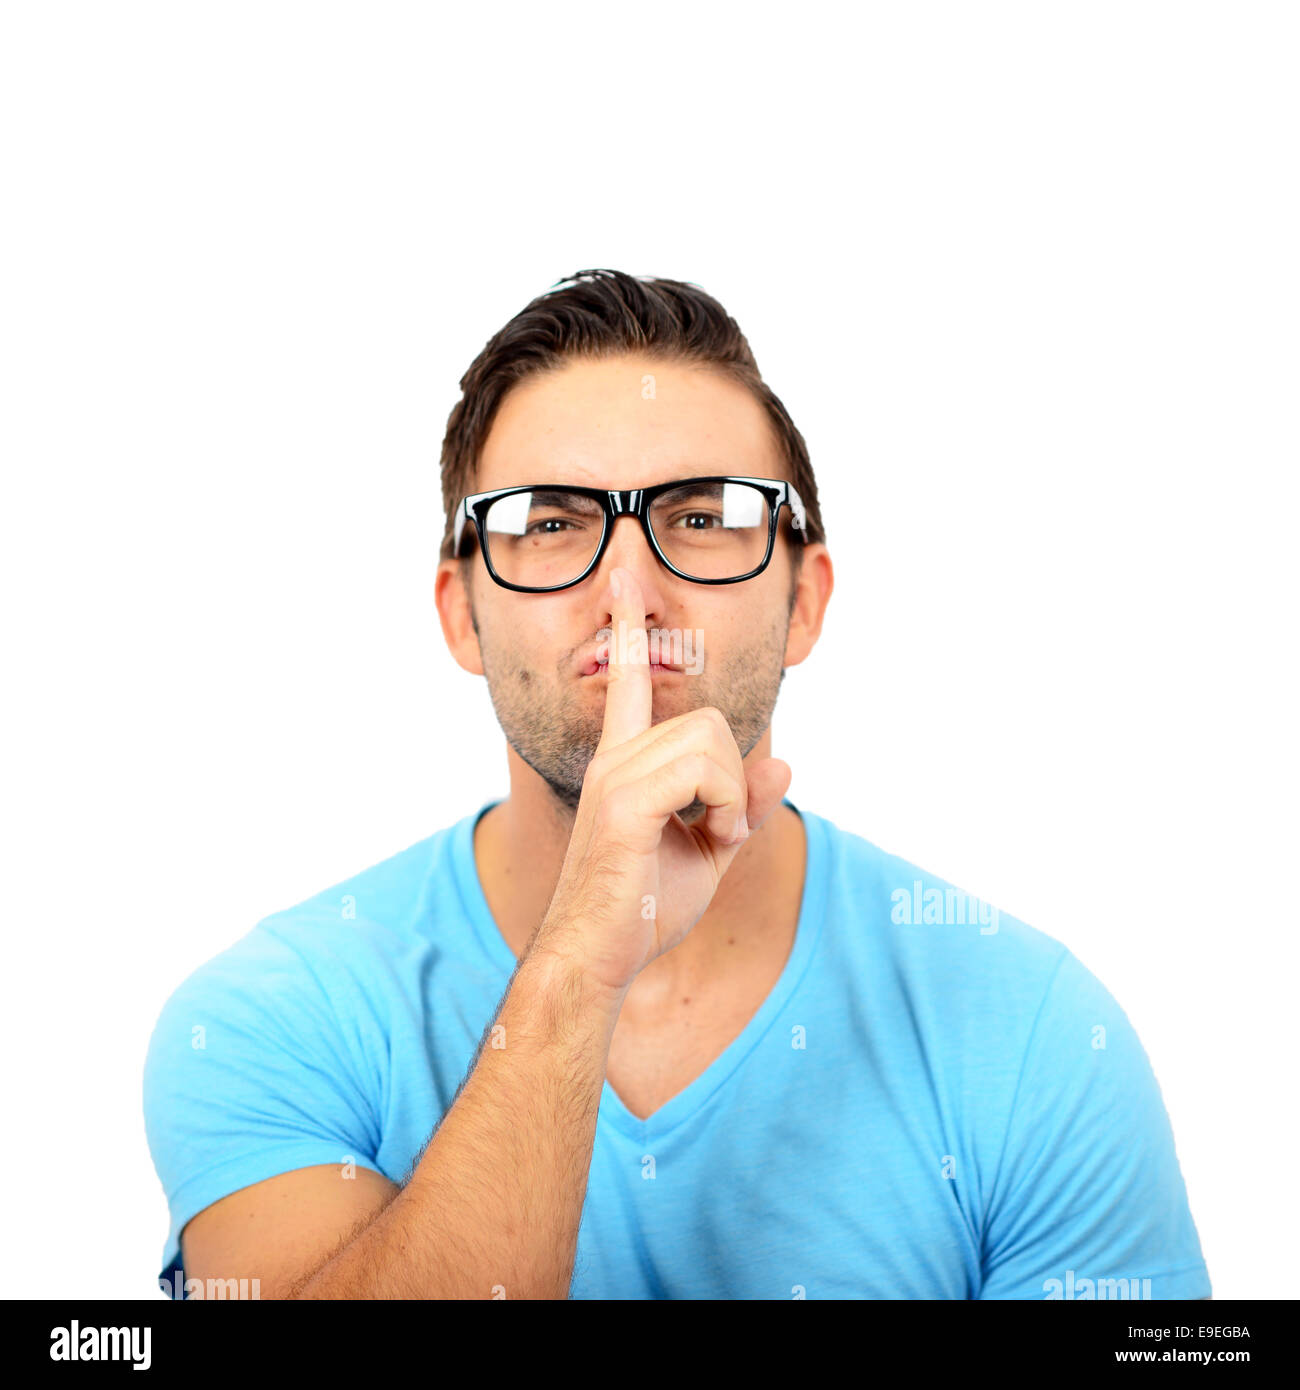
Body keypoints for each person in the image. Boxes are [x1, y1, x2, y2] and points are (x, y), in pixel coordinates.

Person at [144, 269, 1210, 1300]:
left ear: (804, 600)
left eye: (700, 517)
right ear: (462, 614)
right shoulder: (271, 1014)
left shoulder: (1033, 1032)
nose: (628, 594)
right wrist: (581, 963)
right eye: (549, 523)